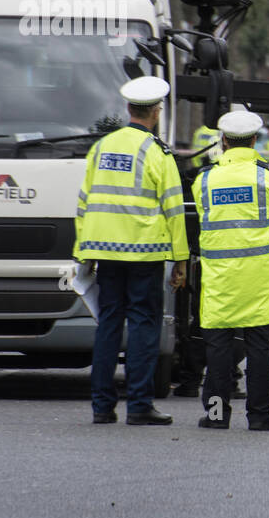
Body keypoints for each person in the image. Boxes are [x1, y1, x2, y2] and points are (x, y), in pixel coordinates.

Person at [74, 75, 188, 425]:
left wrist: (83, 252)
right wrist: (181, 260)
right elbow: (174, 208)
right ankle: (139, 405)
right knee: (142, 324)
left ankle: (101, 407)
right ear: (155, 112)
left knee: (108, 324)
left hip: (104, 252)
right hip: (144, 253)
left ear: (127, 109)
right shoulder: (156, 152)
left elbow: (84, 202)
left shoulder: (101, 147)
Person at [195, 109, 269, 431]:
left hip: (221, 276)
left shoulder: (205, 178)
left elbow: (204, 216)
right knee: (260, 347)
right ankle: (260, 417)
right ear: (254, 140)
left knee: (219, 347)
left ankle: (217, 416)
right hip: (261, 276)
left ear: (223, 141)